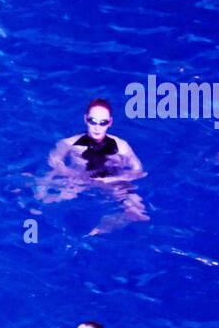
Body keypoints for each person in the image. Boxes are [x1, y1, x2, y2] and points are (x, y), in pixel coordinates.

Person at [40, 98, 148, 234]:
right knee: (44, 198)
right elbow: (53, 161)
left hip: (111, 183)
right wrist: (72, 174)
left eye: (103, 123)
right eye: (93, 121)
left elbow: (138, 170)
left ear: (110, 123)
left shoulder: (121, 146)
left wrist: (114, 180)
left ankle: (97, 232)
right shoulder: (69, 143)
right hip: (79, 181)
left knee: (137, 210)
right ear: (85, 119)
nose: (97, 127)